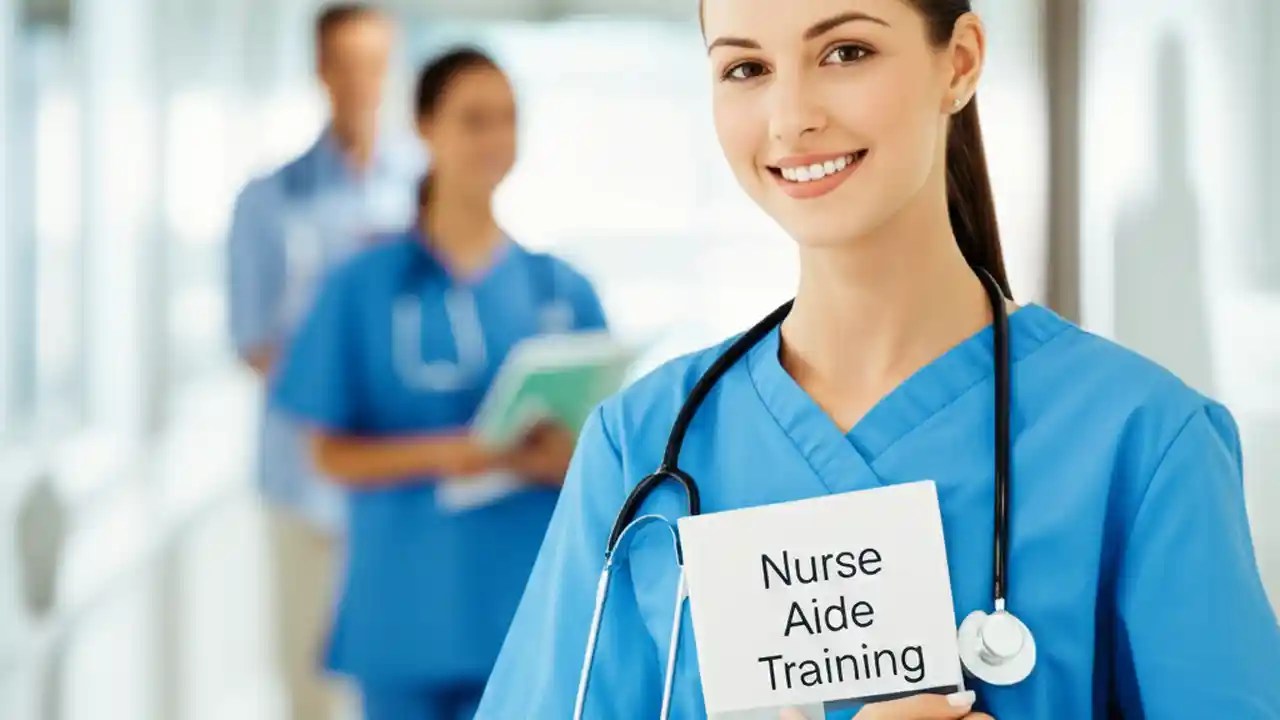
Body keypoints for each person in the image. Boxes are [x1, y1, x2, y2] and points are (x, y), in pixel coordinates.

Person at [475, 1, 1280, 719]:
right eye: (746, 68)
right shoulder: (643, 445)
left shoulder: (1140, 439)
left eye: (845, 52)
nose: (790, 118)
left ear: (959, 62)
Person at [269, 47, 610, 720]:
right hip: (404, 614)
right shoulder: (362, 286)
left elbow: (609, 456)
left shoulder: (561, 291)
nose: (495, 139)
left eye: (508, 119)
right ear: (424, 127)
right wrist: (451, 453)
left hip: (528, 608)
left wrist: (556, 459)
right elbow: (327, 453)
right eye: (473, 119)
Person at [225, 4, 421, 719]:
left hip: (406, 486)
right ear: (319, 70)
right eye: (346, 63)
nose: (361, 82)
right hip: (304, 486)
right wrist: (348, 396)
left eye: (375, 63)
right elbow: (254, 342)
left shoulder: (423, 189)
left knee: (400, 681)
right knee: (310, 687)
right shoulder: (271, 201)